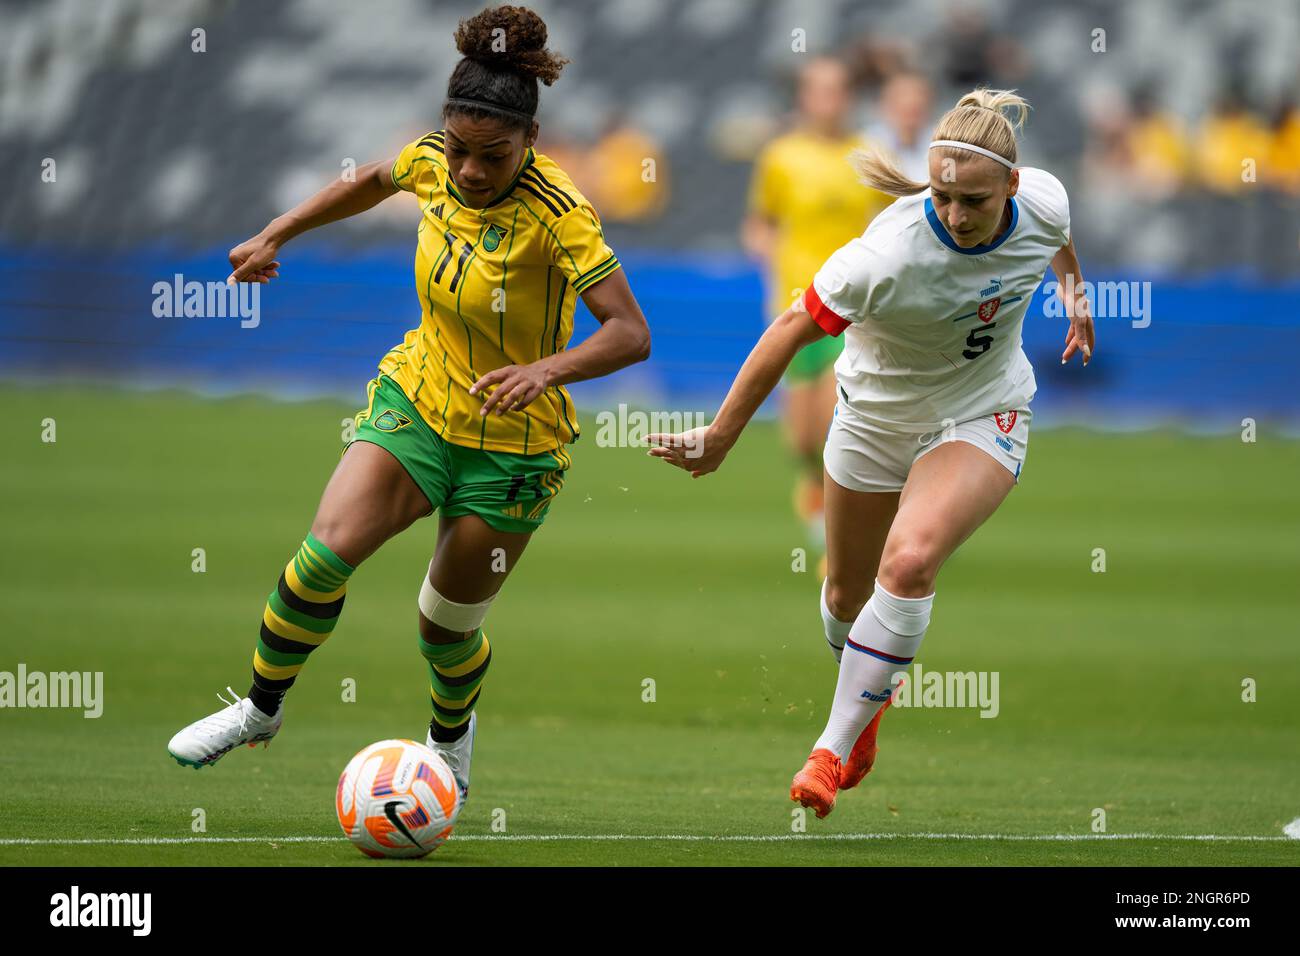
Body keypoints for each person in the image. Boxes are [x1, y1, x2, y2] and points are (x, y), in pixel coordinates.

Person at [166, 5, 651, 807]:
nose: (466, 170)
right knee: (324, 555)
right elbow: (366, 181)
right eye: (458, 149)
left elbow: (630, 335)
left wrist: (547, 371)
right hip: (420, 401)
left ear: (530, 142)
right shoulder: (432, 160)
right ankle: (258, 709)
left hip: (514, 446)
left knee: (444, 627)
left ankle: (449, 743)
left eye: (490, 156)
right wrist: (275, 234)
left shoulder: (562, 214)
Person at [650, 89, 1094, 819]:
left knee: (911, 561)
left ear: (1013, 185)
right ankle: (869, 710)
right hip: (872, 423)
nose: (954, 214)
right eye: (943, 196)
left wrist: (1075, 297)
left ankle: (829, 748)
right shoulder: (883, 256)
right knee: (844, 598)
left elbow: (1059, 242)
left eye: (973, 201)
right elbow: (792, 326)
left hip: (983, 411)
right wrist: (721, 433)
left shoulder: (1045, 199)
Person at [743, 56, 891, 562]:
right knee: (802, 440)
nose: (829, 100)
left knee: (835, 425)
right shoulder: (781, 157)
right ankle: (815, 498)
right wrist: (767, 252)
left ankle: (844, 541)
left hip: (849, 310)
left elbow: (891, 225)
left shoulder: (870, 154)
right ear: (804, 98)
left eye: (837, 90)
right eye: (818, 90)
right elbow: (761, 222)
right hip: (794, 309)